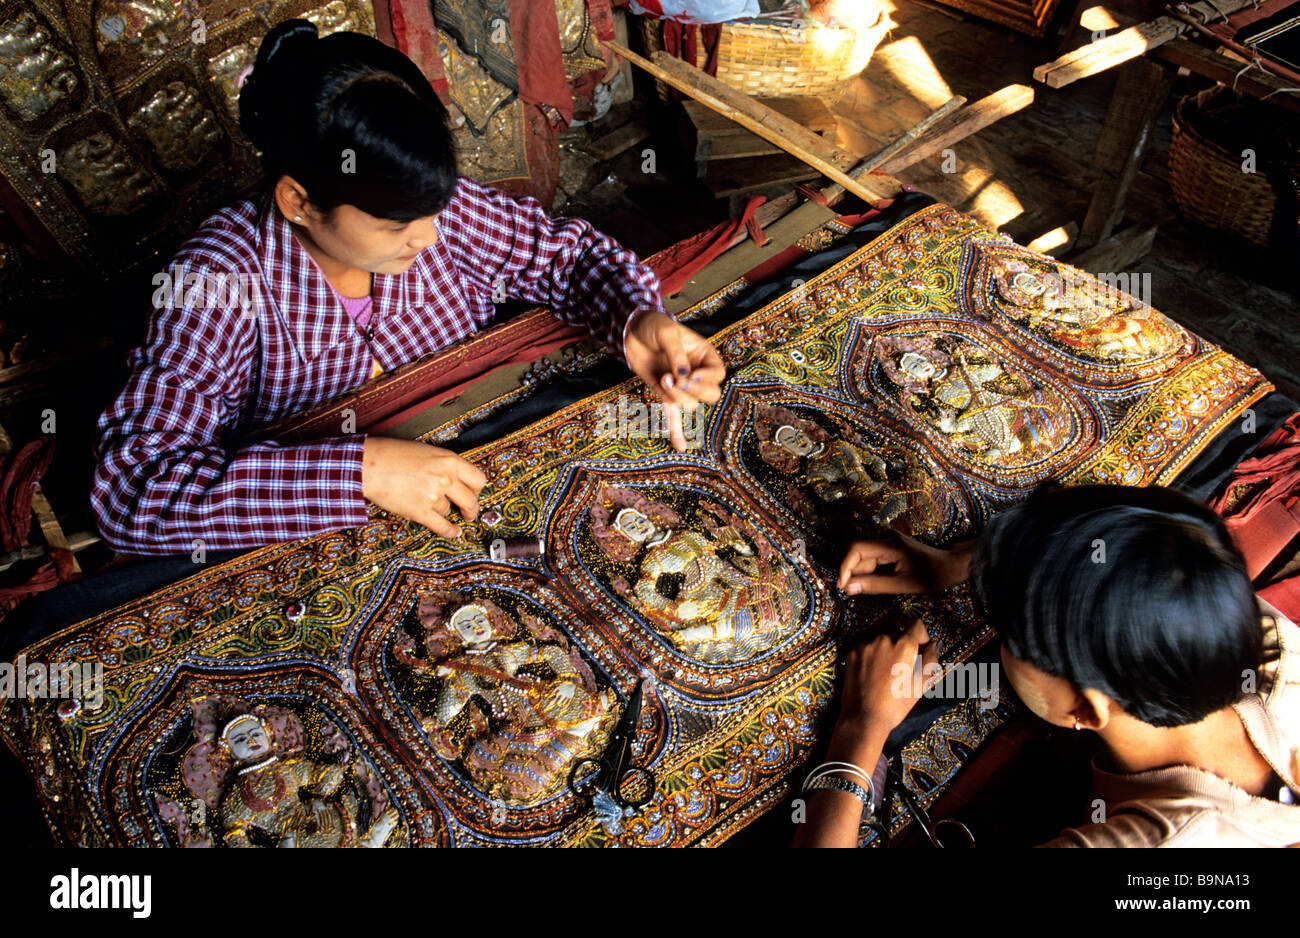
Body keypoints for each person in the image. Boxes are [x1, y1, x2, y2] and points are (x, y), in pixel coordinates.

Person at [91, 19, 724, 555]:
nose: (427, 237)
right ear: (299, 201)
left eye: (434, 208)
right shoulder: (219, 279)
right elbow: (132, 491)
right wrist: (359, 470)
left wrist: (636, 319)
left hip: (473, 485)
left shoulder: (434, 214)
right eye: (394, 223)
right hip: (335, 535)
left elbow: (565, 258)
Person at [794, 483, 1300, 847]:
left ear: (1083, 708)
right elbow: (1131, 548)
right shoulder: (1264, 638)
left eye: (1011, 637)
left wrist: (860, 732)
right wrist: (967, 561)